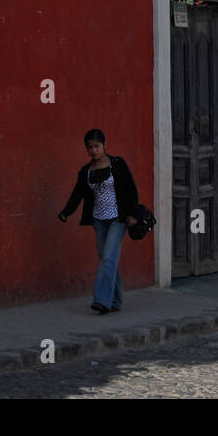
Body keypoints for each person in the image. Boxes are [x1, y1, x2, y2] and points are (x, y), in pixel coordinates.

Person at [58, 129, 139, 314]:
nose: (94, 150)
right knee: (107, 259)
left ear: (105, 145)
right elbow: (77, 194)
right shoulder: (86, 171)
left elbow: (131, 190)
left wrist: (132, 214)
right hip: (98, 220)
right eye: (90, 147)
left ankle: (102, 300)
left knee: (109, 257)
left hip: (118, 219)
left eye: (97, 146)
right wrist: (66, 212)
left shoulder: (117, 164)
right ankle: (116, 301)